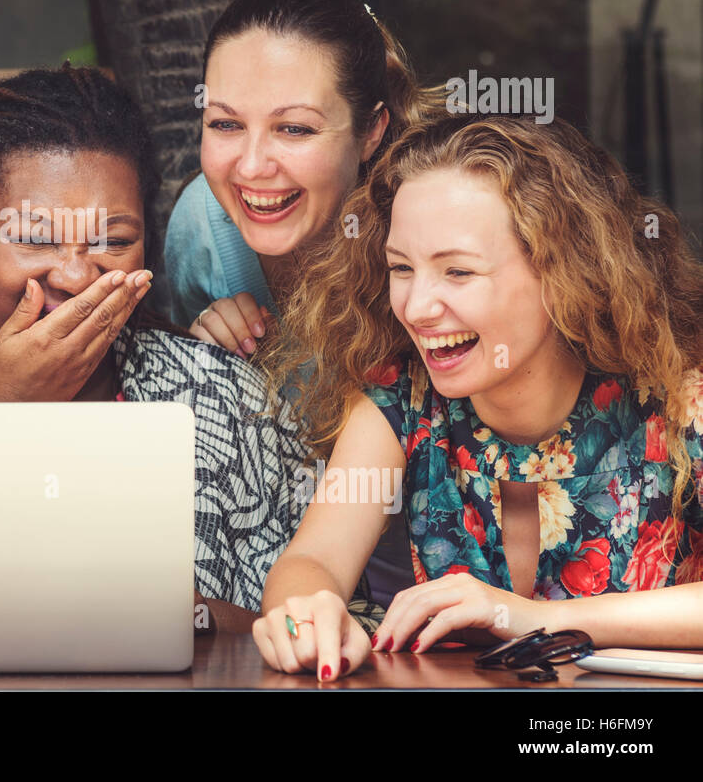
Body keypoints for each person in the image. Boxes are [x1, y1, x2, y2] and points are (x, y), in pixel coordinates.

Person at [0, 66, 377, 632]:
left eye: (114, 240)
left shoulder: (227, 398)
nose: (75, 276)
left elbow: (328, 628)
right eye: (34, 237)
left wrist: (190, 617)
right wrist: (9, 414)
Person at [252, 113, 703, 681]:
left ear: (565, 270)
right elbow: (311, 561)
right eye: (401, 268)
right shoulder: (401, 396)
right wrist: (306, 613)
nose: (416, 308)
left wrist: (530, 617)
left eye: (458, 272)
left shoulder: (677, 391)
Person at [165, 0, 440, 357]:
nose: (251, 167)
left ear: (371, 132)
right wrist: (204, 361)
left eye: (294, 128)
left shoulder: (432, 235)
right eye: (226, 124)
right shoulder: (200, 227)